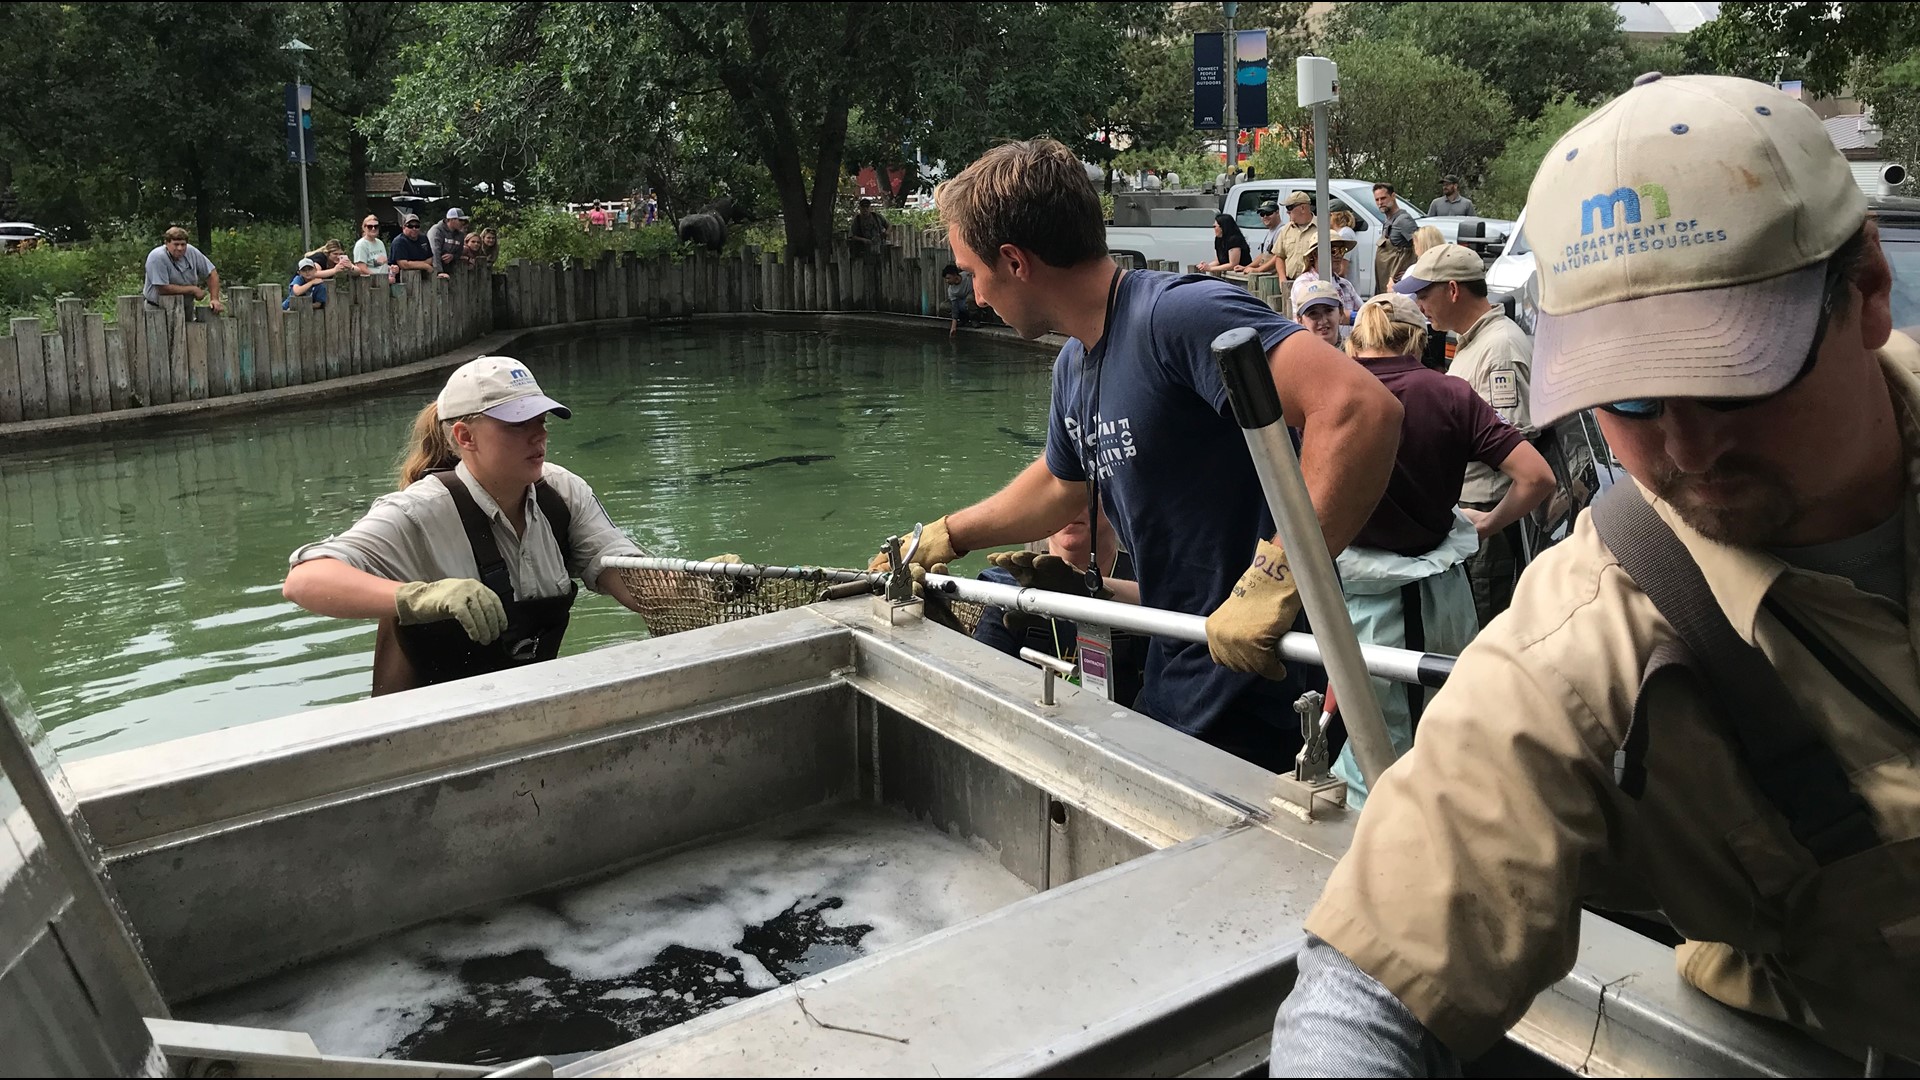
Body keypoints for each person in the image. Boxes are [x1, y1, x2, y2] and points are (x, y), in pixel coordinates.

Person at [1270, 73, 1920, 1073]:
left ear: (1867, 292)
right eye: (1631, 398)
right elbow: (1367, 985)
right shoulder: (1585, 634)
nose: (1690, 450)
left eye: (1736, 376)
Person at [865, 138, 1403, 771]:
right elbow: (1064, 485)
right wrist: (947, 535)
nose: (976, 296)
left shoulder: (1178, 317)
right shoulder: (1074, 363)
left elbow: (1358, 409)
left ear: (1014, 261)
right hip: (1176, 664)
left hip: (1260, 684)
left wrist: (1283, 574)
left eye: (974, 274)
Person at [283, 356, 650, 695]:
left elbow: (627, 575)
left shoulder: (563, 492)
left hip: (529, 712)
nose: (539, 435)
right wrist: (421, 597)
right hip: (425, 735)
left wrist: (692, 583)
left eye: (541, 419)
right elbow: (305, 580)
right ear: (465, 436)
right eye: (517, 424)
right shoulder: (419, 510)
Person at [1328, 292, 1552, 806]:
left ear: (1355, 339)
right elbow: (1536, 478)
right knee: (1448, 728)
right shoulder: (1450, 395)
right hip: (1443, 597)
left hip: (1358, 605)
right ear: (1418, 339)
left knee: (1367, 744)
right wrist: (1488, 524)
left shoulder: (1332, 397)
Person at [1399, 242, 1536, 627]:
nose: (1421, 305)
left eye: (1424, 295)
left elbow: (1510, 440)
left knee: (1479, 627)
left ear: (1453, 290)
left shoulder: (1499, 349)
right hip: (1470, 510)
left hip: (1486, 515)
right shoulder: (1474, 341)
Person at [143, 226, 223, 314]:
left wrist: (214, 299)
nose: (180, 248)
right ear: (166, 243)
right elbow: (162, 288)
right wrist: (193, 289)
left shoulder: (191, 252)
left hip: (185, 307)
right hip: (158, 309)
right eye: (176, 244)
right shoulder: (157, 257)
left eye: (183, 244)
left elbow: (212, 273)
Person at [1288, 230, 1362, 316]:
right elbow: (1320, 317)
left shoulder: (1345, 285)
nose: (1339, 255)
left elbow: (1365, 311)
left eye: (1342, 250)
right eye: (1333, 251)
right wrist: (1355, 318)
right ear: (1315, 254)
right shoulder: (1304, 283)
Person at [1372, 183, 1418, 288]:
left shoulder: (1404, 220)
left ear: (1393, 196)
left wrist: (1410, 272)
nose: (1380, 202)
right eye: (1377, 199)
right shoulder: (1388, 221)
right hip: (1385, 284)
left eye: (1383, 198)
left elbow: (1422, 246)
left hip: (1398, 287)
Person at [1273, 191, 1318, 279]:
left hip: (1314, 283)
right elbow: (1279, 256)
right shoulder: (1286, 229)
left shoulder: (1322, 229)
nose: (1287, 212)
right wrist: (1282, 278)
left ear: (1302, 208)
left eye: (1289, 207)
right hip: (1290, 282)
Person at [1293, 281, 1346, 348]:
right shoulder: (1294, 356)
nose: (1323, 321)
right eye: (1313, 313)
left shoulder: (1356, 354)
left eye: (1328, 311)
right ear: (1300, 320)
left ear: (1340, 313)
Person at [389, 214, 436, 278]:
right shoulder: (399, 241)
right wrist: (425, 266)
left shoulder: (424, 238)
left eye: (417, 226)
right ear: (404, 227)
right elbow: (404, 264)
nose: (414, 228)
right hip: (403, 280)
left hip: (423, 278)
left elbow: (430, 259)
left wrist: (414, 264)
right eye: (410, 226)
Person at [1244, 201, 1283, 274]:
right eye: (1262, 214)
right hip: (1266, 274)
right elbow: (1264, 254)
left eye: (1268, 213)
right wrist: (1246, 267)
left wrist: (1258, 270)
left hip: (1275, 276)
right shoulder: (1270, 231)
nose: (1265, 216)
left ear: (1277, 213)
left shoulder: (1282, 231)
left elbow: (1278, 257)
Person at [428, 208, 471, 275]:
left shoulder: (460, 235)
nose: (463, 223)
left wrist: (452, 256)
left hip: (451, 271)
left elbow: (459, 253)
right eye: (460, 220)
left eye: (464, 220)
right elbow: (434, 252)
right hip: (433, 270)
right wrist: (439, 272)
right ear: (451, 219)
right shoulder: (436, 231)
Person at [943, 263, 974, 335]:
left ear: (955, 275)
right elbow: (954, 307)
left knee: (970, 299)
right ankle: (963, 319)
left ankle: (975, 320)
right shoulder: (951, 290)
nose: (947, 281)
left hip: (973, 301)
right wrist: (953, 327)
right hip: (961, 304)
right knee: (944, 306)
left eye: (948, 278)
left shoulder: (967, 276)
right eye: (946, 279)